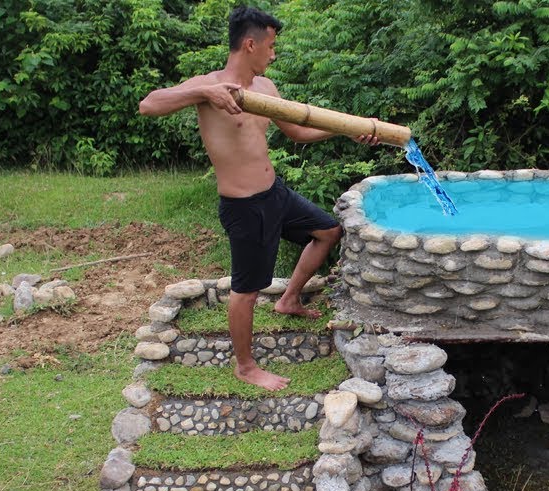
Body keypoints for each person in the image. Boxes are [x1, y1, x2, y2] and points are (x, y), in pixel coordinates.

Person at [138, 6, 377, 390]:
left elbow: (297, 132)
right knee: (246, 290)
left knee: (328, 230)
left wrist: (345, 132)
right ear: (250, 44)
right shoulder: (208, 86)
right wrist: (204, 92)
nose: (274, 53)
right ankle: (246, 367)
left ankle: (289, 299)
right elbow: (148, 105)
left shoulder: (266, 89)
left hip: (275, 193)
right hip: (243, 205)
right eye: (270, 46)